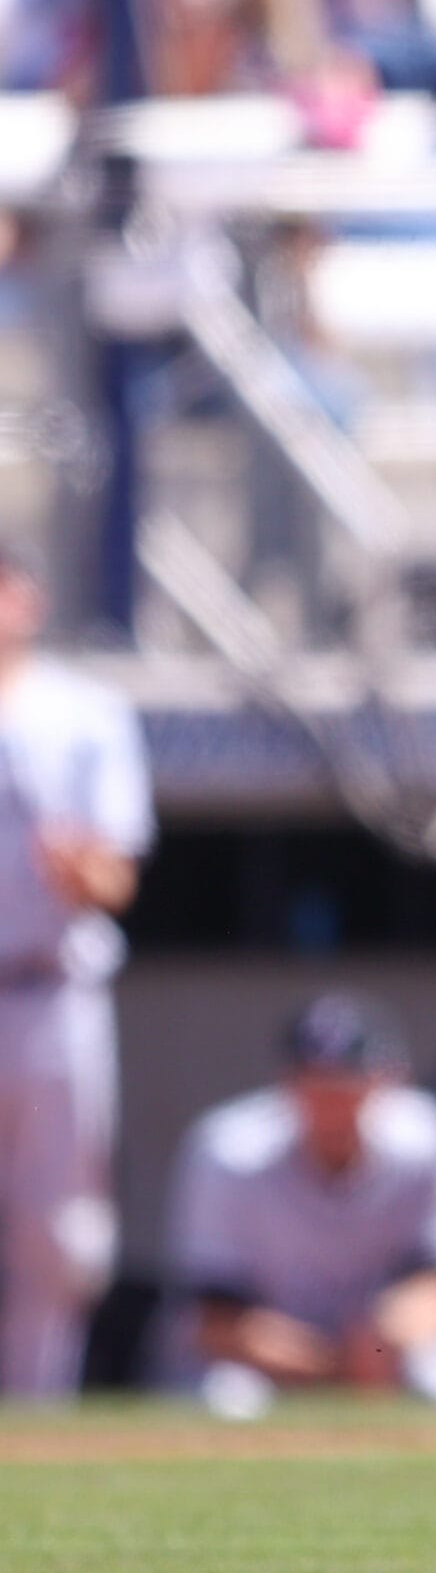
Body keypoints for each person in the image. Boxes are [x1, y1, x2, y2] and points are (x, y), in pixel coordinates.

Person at [166, 994, 436, 1417]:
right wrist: (332, 1364)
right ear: (288, 1084)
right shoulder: (229, 1150)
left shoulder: (431, 1141)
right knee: (226, 1400)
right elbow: (213, 1321)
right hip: (261, 1362)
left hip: (383, 1356)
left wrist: (384, 1334)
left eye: (347, 1088)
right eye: (316, 1087)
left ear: (388, 1080)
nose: (333, 1106)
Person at [0, 533, 153, 1400]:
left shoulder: (82, 710)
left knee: (57, 1233)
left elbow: (116, 876)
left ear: (28, 598)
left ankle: (35, 1418)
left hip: (47, 989)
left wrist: (75, 863)